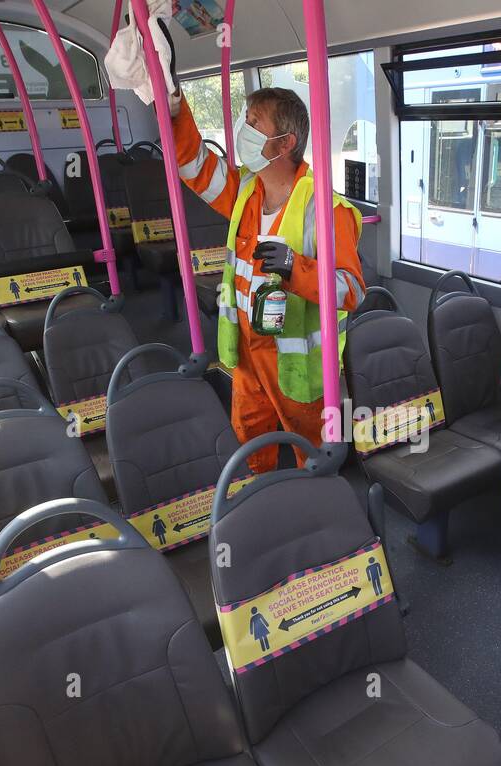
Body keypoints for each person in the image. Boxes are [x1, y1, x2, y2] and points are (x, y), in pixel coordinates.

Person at [147, 26, 366, 472]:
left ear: (285, 144)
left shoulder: (328, 210)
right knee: (251, 450)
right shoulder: (245, 191)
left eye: (254, 125)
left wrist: (295, 268)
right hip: (246, 355)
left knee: (314, 459)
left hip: (299, 368)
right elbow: (192, 163)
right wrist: (173, 105)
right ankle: (262, 515)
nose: (243, 133)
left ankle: (323, 524)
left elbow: (352, 292)